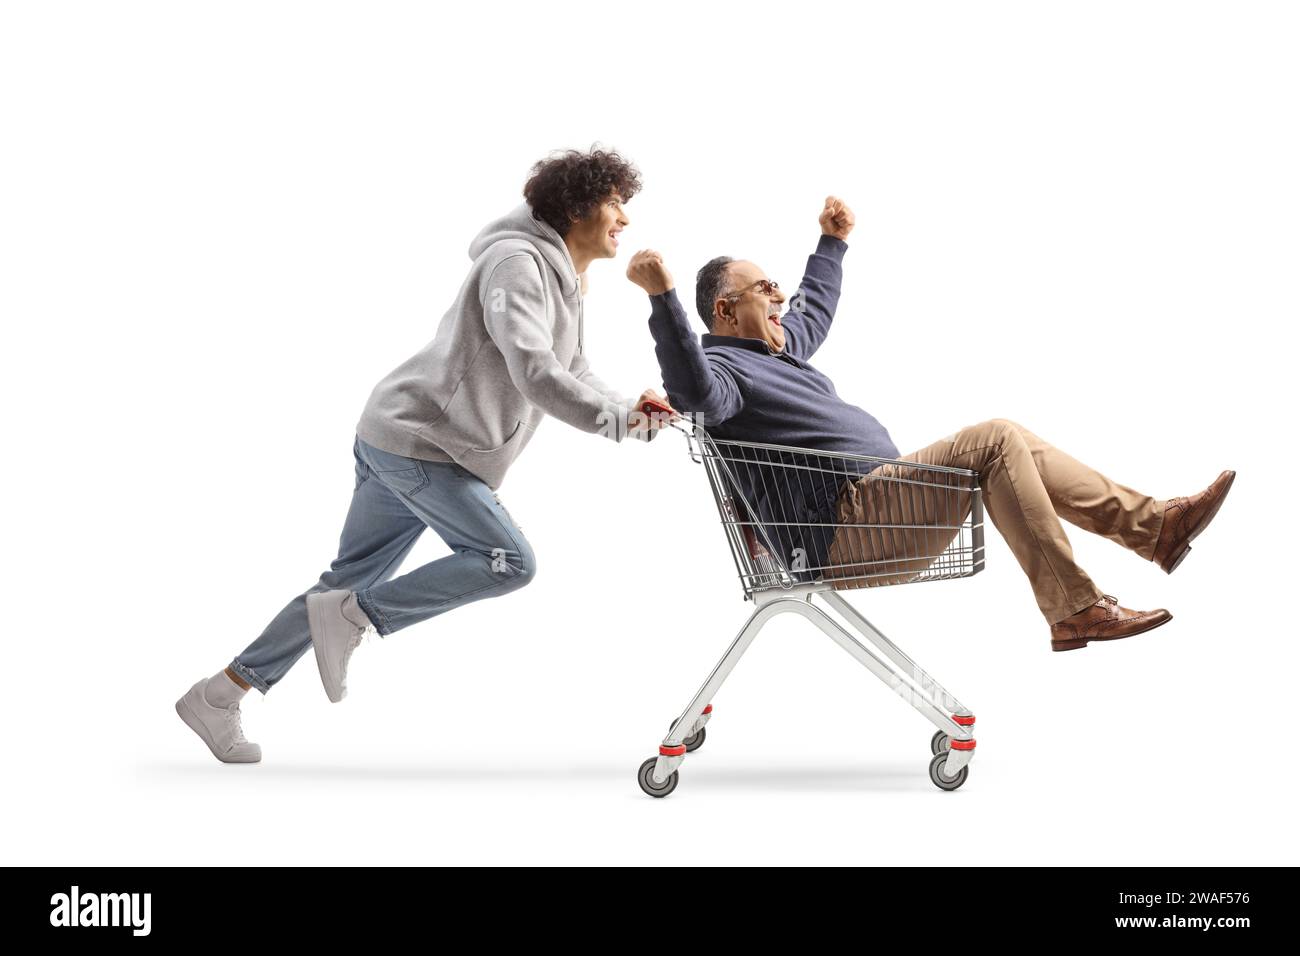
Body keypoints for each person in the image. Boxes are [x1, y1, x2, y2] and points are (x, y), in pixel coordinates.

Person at [177, 146, 670, 763]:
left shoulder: (565, 276)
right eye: (615, 202)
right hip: (422, 446)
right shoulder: (518, 263)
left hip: (410, 440)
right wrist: (619, 424)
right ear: (575, 207)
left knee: (341, 586)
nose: (625, 217)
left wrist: (629, 409)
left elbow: (572, 368)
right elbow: (535, 373)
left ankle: (220, 694)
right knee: (507, 561)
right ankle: (358, 615)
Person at [627, 195, 1234, 653]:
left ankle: (1153, 530)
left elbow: (813, 306)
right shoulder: (723, 367)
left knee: (1010, 441)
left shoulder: (776, 351)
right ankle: (1079, 602)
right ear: (725, 310)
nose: (781, 297)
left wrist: (831, 242)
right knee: (995, 437)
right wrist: (663, 299)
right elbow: (695, 395)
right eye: (766, 290)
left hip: (880, 507)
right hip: (846, 527)